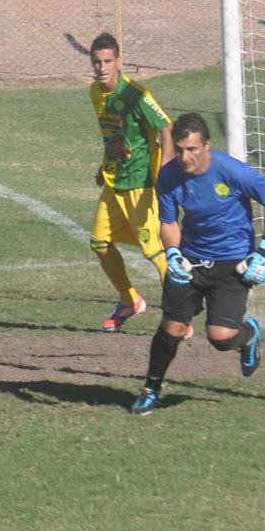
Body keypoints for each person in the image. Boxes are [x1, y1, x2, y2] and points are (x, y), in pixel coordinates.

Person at [130, 112, 265, 415]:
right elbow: (168, 221)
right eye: (179, 149)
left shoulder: (233, 172)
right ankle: (150, 388)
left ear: (207, 146)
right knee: (172, 328)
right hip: (190, 260)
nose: (185, 157)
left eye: (192, 149)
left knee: (220, 337)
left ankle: (247, 336)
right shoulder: (168, 176)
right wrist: (172, 252)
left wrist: (264, 251)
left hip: (232, 263)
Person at [87, 32, 174, 331]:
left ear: (119, 62)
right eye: (97, 62)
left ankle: (179, 316)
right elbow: (113, 134)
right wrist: (103, 166)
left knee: (154, 252)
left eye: (108, 61)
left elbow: (167, 128)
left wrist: (165, 174)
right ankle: (129, 300)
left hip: (141, 183)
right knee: (99, 242)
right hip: (114, 182)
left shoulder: (137, 95)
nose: (102, 68)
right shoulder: (95, 93)